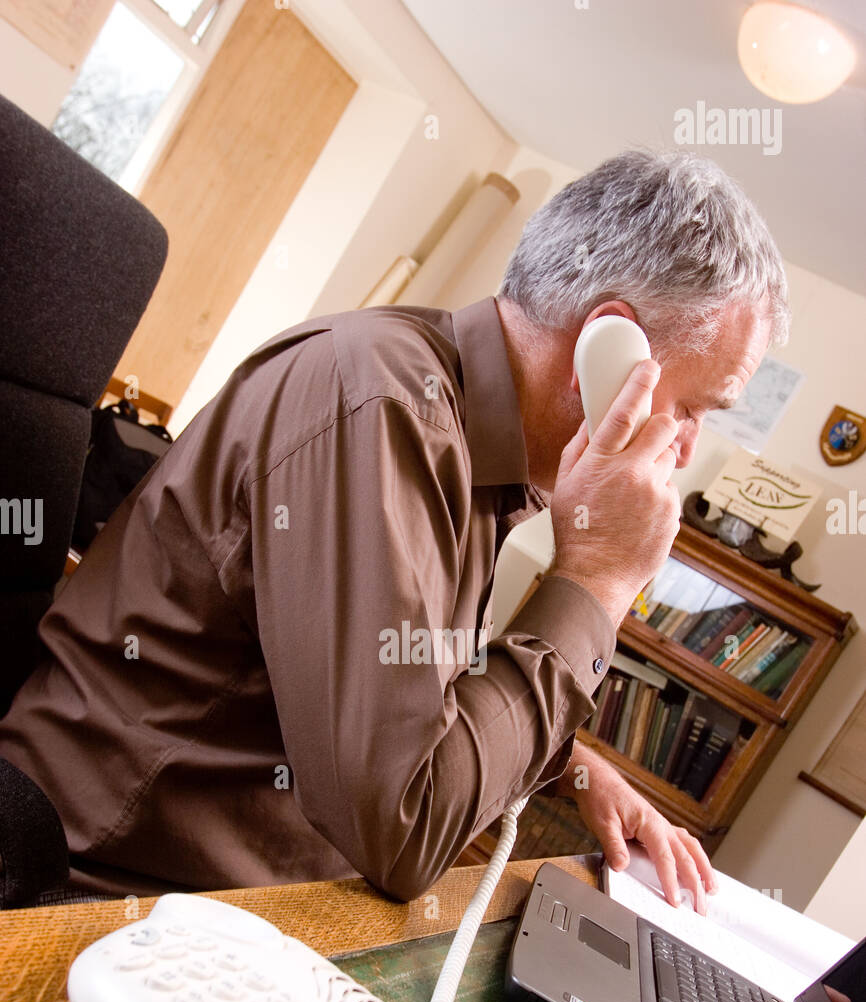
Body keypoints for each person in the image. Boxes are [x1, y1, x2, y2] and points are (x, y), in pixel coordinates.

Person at [0, 149, 789, 908]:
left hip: (212, 894)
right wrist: (598, 580)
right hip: (90, 882)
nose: (684, 447)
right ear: (606, 348)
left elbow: (402, 687)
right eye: (691, 408)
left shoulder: (472, 452)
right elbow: (403, 825)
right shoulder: (380, 412)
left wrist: (575, 767)